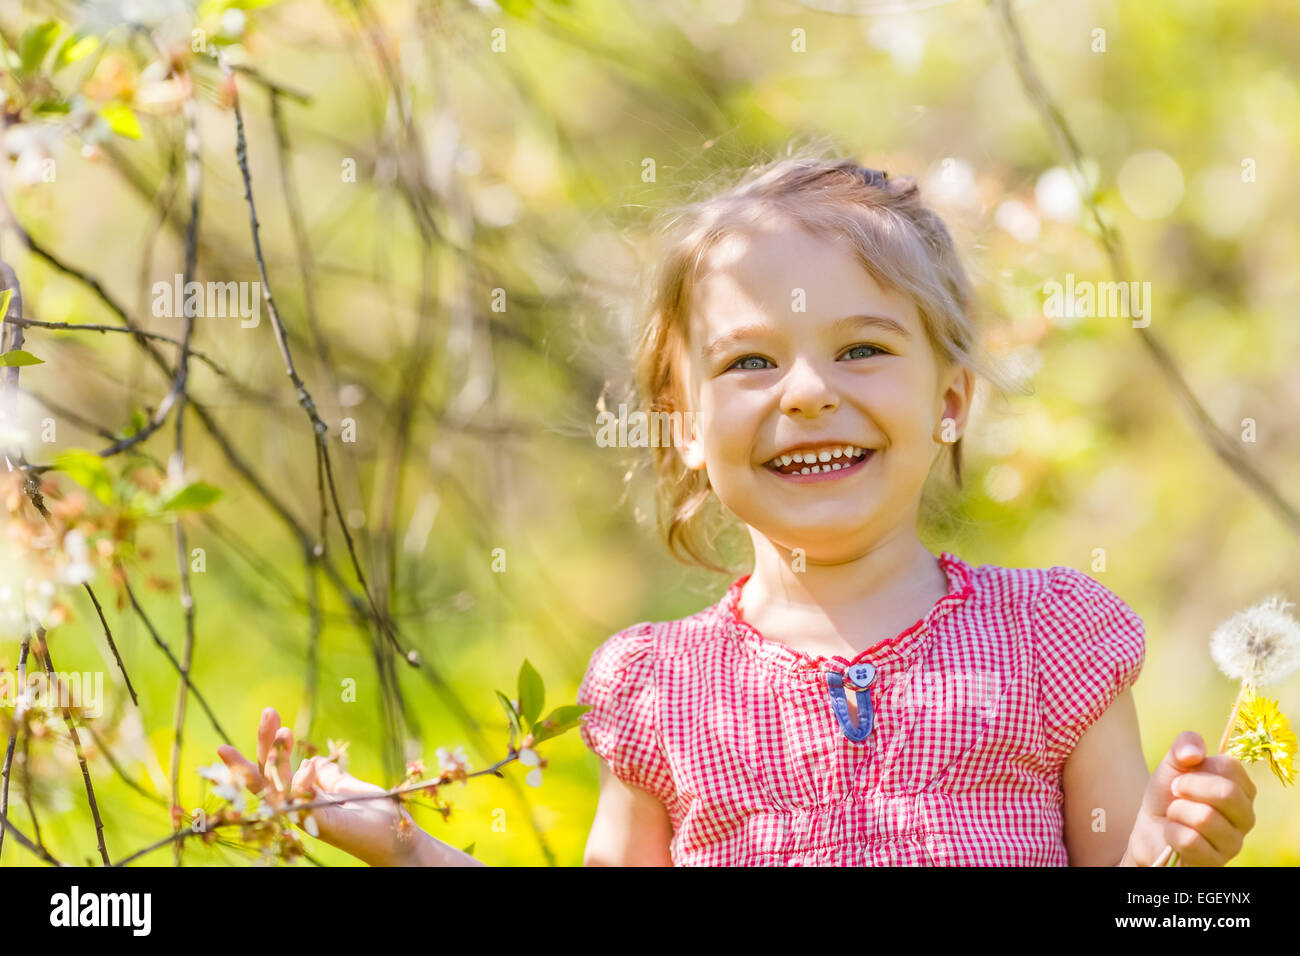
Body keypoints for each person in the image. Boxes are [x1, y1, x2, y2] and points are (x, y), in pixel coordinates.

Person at [216, 151, 1256, 866]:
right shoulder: (658, 686)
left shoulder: (1049, 639)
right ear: (683, 425)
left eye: (859, 348)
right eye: (750, 361)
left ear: (947, 402)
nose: (804, 391)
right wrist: (405, 846)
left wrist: (1177, 853)